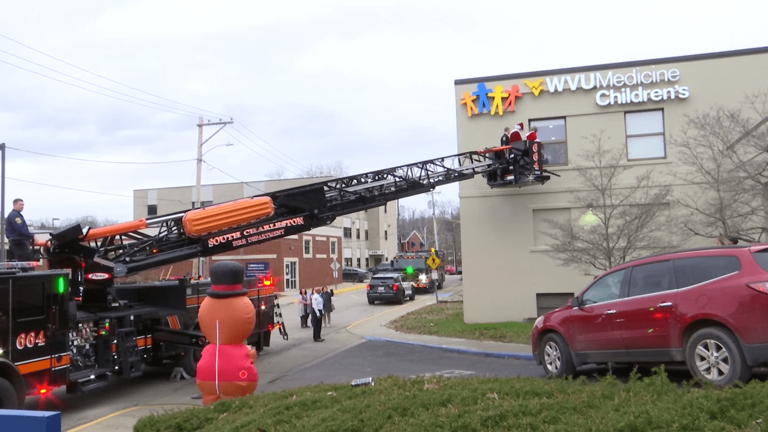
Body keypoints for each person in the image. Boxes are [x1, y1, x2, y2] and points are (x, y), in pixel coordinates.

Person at [6, 198, 35, 266]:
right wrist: (32, 236)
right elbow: (21, 229)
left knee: (23, 261)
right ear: (15, 205)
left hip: (18, 241)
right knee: (25, 262)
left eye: (23, 205)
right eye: (20, 204)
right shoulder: (15, 216)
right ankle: (26, 275)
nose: (22, 206)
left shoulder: (17, 215)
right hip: (19, 242)